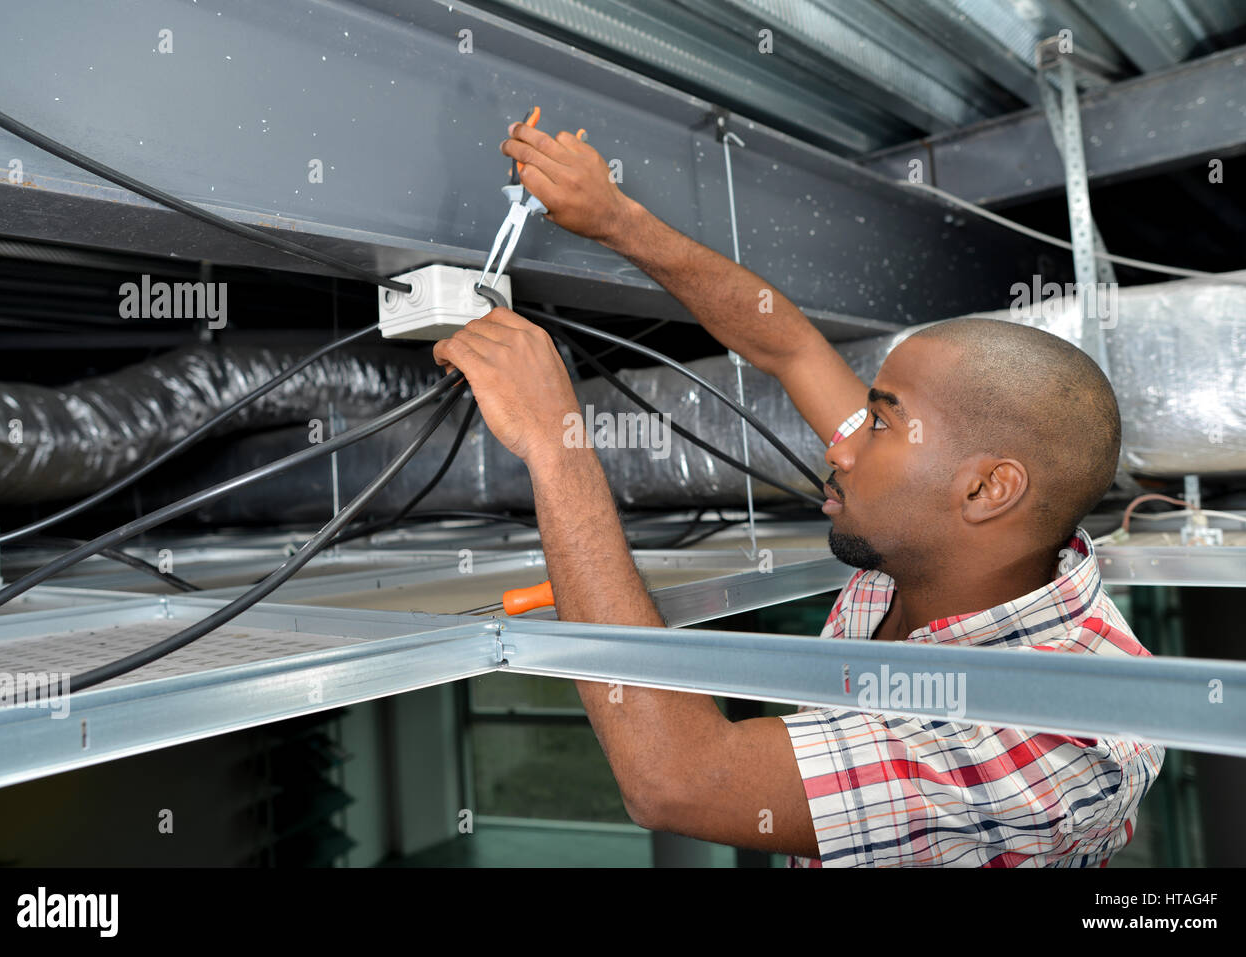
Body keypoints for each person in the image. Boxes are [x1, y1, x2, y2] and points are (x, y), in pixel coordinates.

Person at [430, 121, 1164, 866]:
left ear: (986, 488)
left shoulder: (1047, 746)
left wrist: (558, 445)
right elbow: (788, 344)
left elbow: (677, 780)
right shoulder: (952, 535)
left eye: (879, 423)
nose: (838, 443)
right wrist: (617, 218)